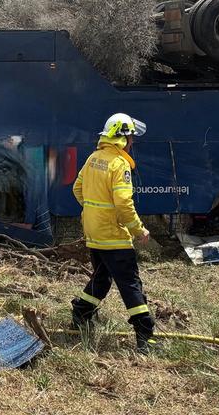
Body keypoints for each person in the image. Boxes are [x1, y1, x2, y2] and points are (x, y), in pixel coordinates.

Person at [70, 113, 156, 353]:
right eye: (131, 136)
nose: (133, 141)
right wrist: (138, 230)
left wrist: (94, 212)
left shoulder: (93, 158)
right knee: (130, 284)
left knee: (101, 278)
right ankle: (145, 334)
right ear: (123, 137)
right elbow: (123, 204)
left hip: (94, 233)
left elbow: (78, 189)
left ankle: (80, 313)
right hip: (114, 236)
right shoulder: (119, 165)